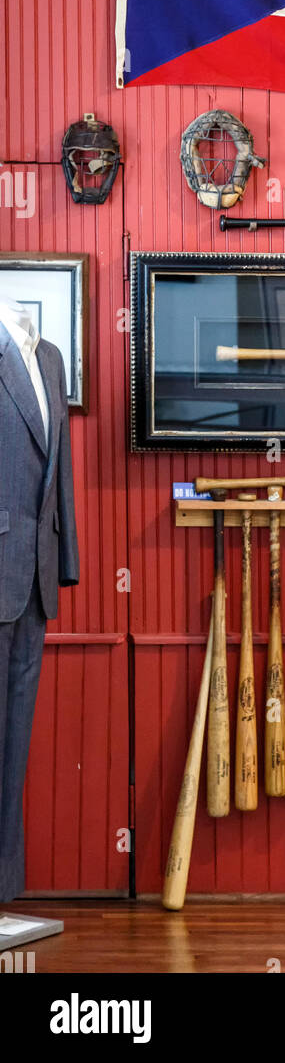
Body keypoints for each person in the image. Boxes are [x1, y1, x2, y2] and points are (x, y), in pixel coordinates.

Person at [0, 297, 78, 903]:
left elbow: (62, 470)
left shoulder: (50, 357)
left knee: (15, 741)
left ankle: (3, 890)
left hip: (35, 573)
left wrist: (65, 555)